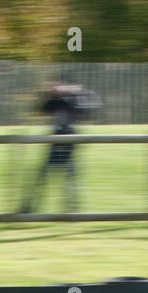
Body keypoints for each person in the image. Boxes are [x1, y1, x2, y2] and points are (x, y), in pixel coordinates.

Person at [20, 78, 99, 214]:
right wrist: (52, 94)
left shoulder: (76, 99)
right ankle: (30, 207)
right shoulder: (56, 100)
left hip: (69, 142)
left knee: (69, 178)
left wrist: (71, 92)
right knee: (44, 177)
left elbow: (85, 109)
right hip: (56, 141)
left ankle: (71, 209)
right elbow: (42, 109)